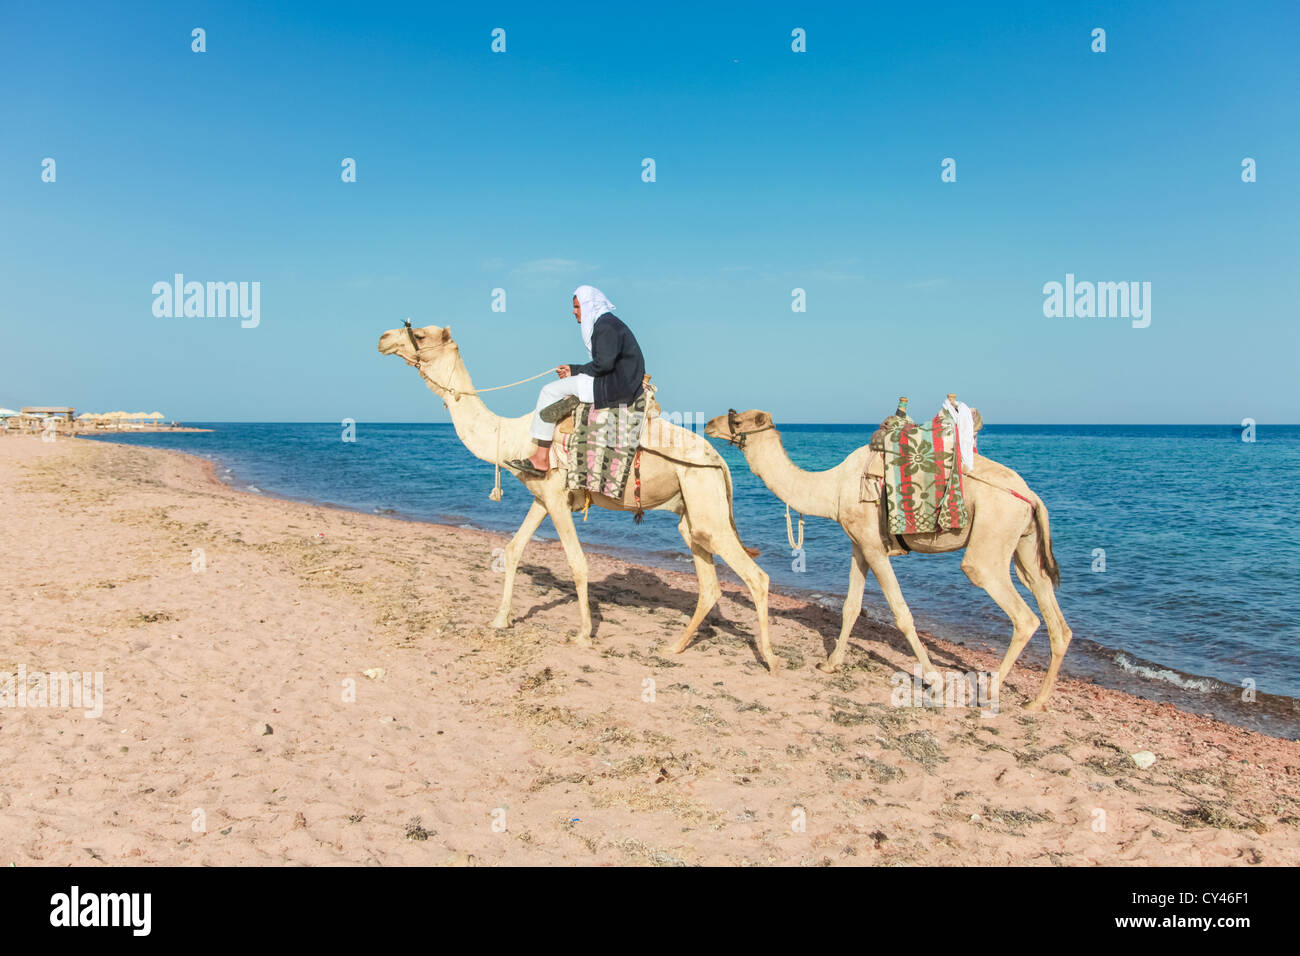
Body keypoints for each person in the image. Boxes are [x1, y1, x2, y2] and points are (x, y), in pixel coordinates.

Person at [508, 285, 645, 476]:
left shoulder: (605, 327)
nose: (574, 312)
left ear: (589, 305)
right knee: (569, 385)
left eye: (577, 307)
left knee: (549, 391)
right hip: (618, 383)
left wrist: (576, 370)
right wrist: (575, 370)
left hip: (612, 387)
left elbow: (603, 364)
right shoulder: (608, 324)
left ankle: (540, 458)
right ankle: (572, 400)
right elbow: (604, 362)